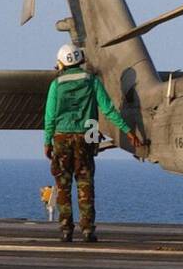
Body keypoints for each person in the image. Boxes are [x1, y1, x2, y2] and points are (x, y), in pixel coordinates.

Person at [43, 44, 141, 243]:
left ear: (61, 62)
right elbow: (108, 109)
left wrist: (47, 141)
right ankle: (87, 230)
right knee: (85, 185)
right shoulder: (92, 81)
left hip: (61, 138)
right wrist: (127, 131)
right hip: (87, 137)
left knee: (63, 186)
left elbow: (50, 117)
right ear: (80, 59)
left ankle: (65, 230)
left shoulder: (56, 85)